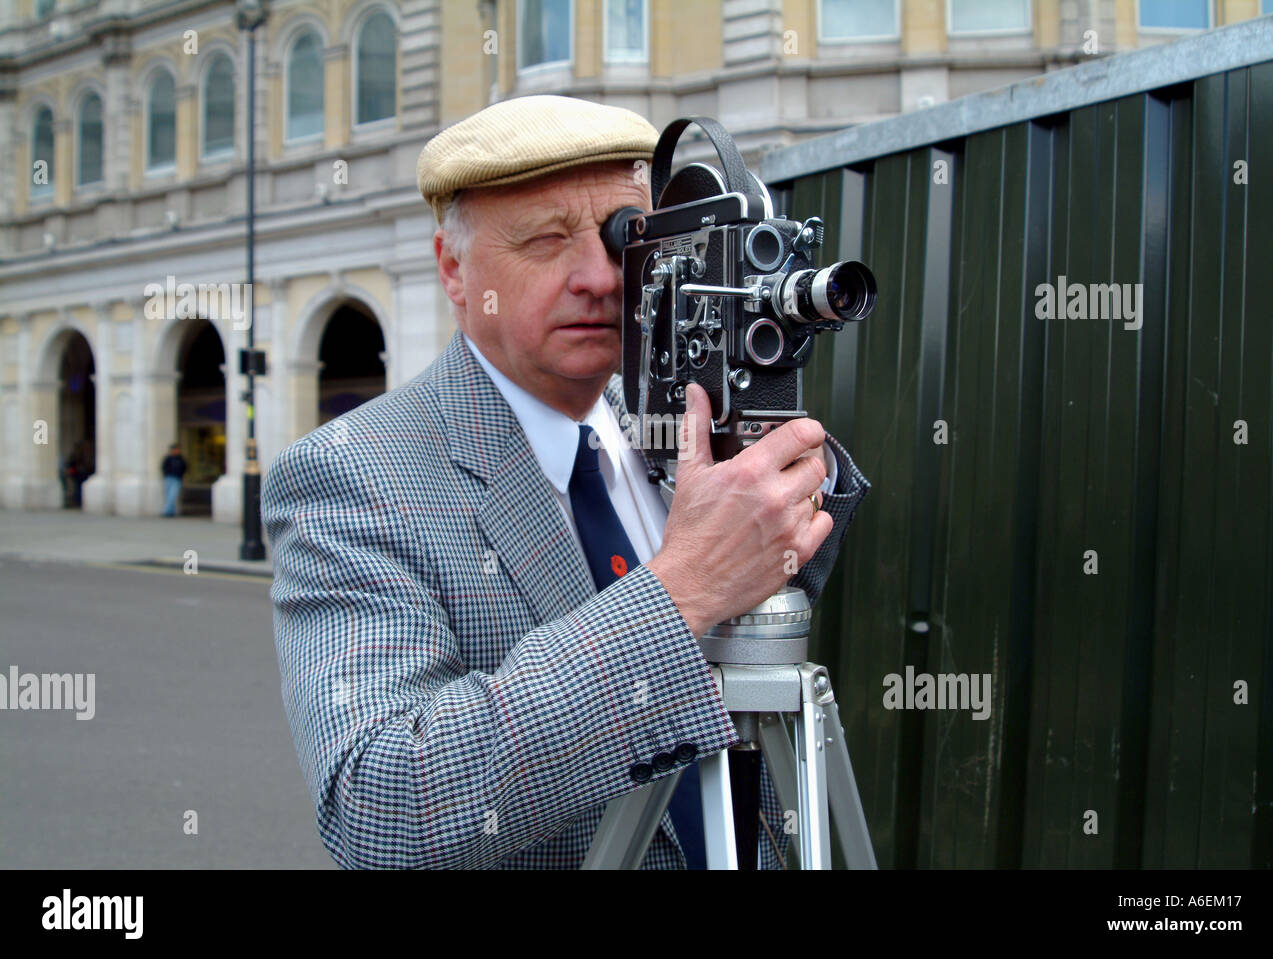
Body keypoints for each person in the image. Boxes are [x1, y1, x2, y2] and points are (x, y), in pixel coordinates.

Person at [262, 95, 870, 869]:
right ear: (454, 267)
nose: (598, 277)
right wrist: (680, 593)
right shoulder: (350, 476)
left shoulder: (673, 417)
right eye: (545, 241)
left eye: (624, 238)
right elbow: (382, 803)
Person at [160, 444, 187, 517]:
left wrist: (180, 474)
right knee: (168, 495)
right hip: (168, 478)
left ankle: (167, 511)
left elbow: (185, 467)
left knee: (173, 495)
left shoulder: (180, 459)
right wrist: (166, 473)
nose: (176, 451)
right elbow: (163, 467)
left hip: (176, 478)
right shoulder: (168, 458)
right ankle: (170, 511)